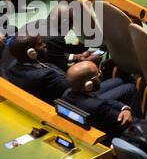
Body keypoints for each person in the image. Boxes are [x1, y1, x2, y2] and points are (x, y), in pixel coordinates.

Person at [5, 35, 136, 106]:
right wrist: (88, 64)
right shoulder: (45, 76)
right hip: (77, 101)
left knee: (118, 80)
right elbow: (77, 84)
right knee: (129, 87)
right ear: (31, 53)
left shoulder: (13, 65)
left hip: (66, 96)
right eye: (40, 44)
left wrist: (77, 57)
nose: (44, 45)